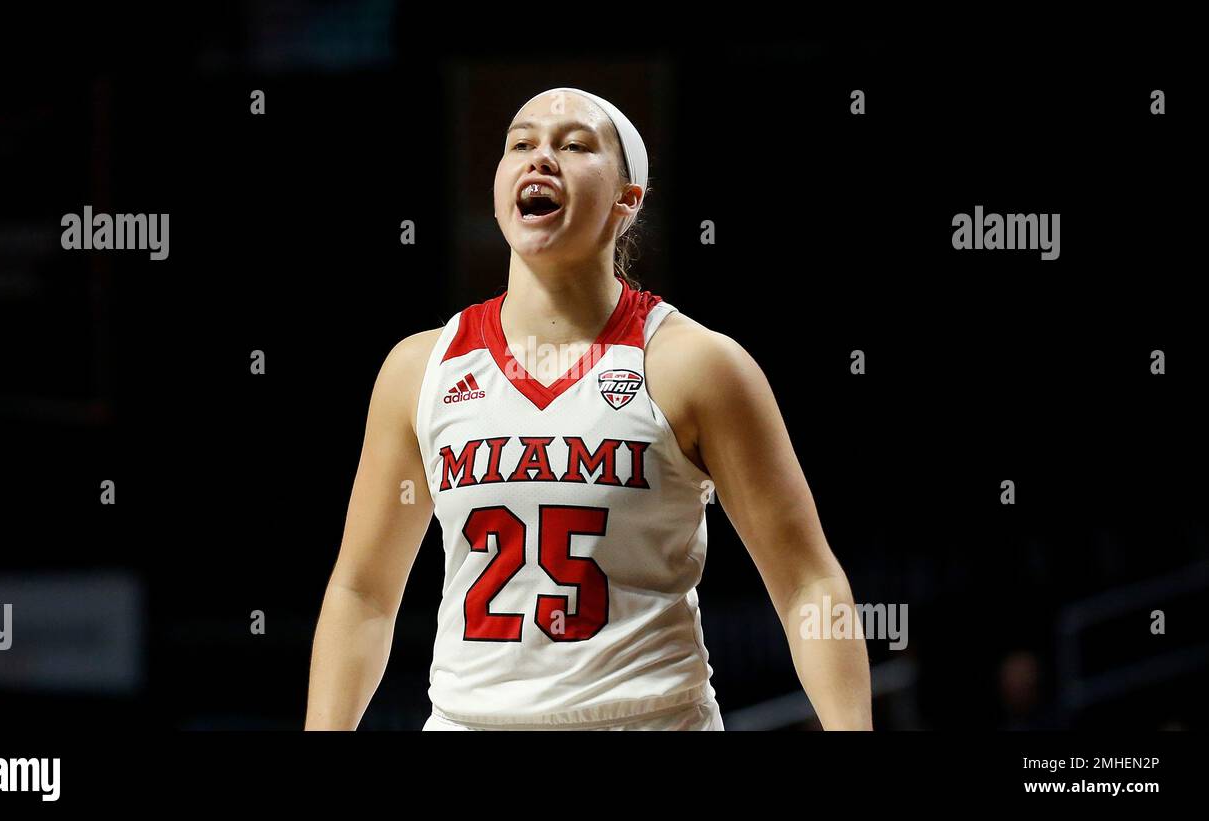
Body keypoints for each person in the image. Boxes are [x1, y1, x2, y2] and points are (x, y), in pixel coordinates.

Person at [306, 87, 872, 730]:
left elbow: (808, 585)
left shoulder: (694, 364)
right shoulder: (421, 369)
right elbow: (364, 594)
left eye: (574, 146)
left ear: (629, 199)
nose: (540, 158)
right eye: (520, 143)